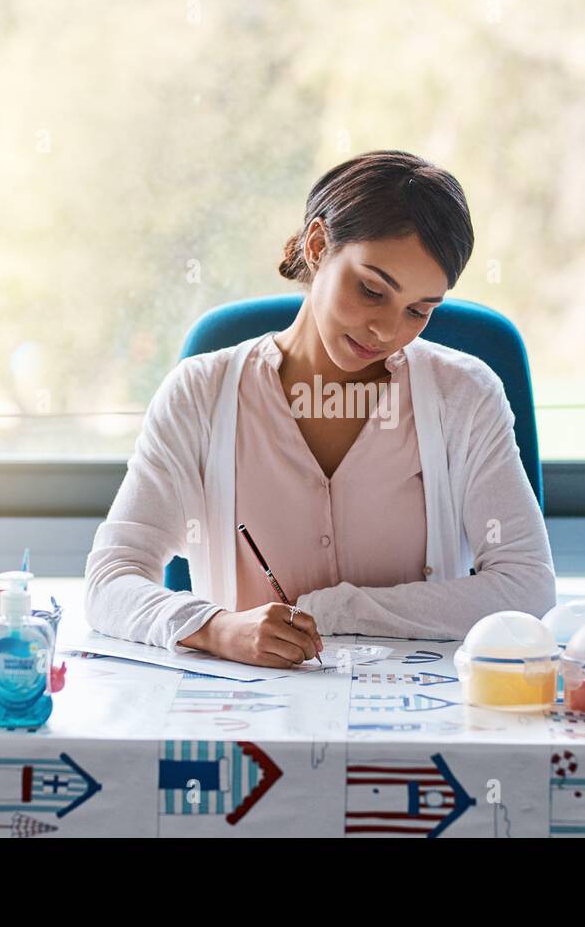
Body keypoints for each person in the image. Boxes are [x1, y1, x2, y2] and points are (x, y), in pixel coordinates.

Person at [84, 150, 555, 667]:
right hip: (249, 713)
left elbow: (526, 589)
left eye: (419, 311)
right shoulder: (200, 394)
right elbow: (111, 580)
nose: (387, 331)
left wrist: (338, 612)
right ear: (316, 246)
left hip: (419, 718)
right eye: (372, 290)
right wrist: (215, 629)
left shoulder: (464, 396)